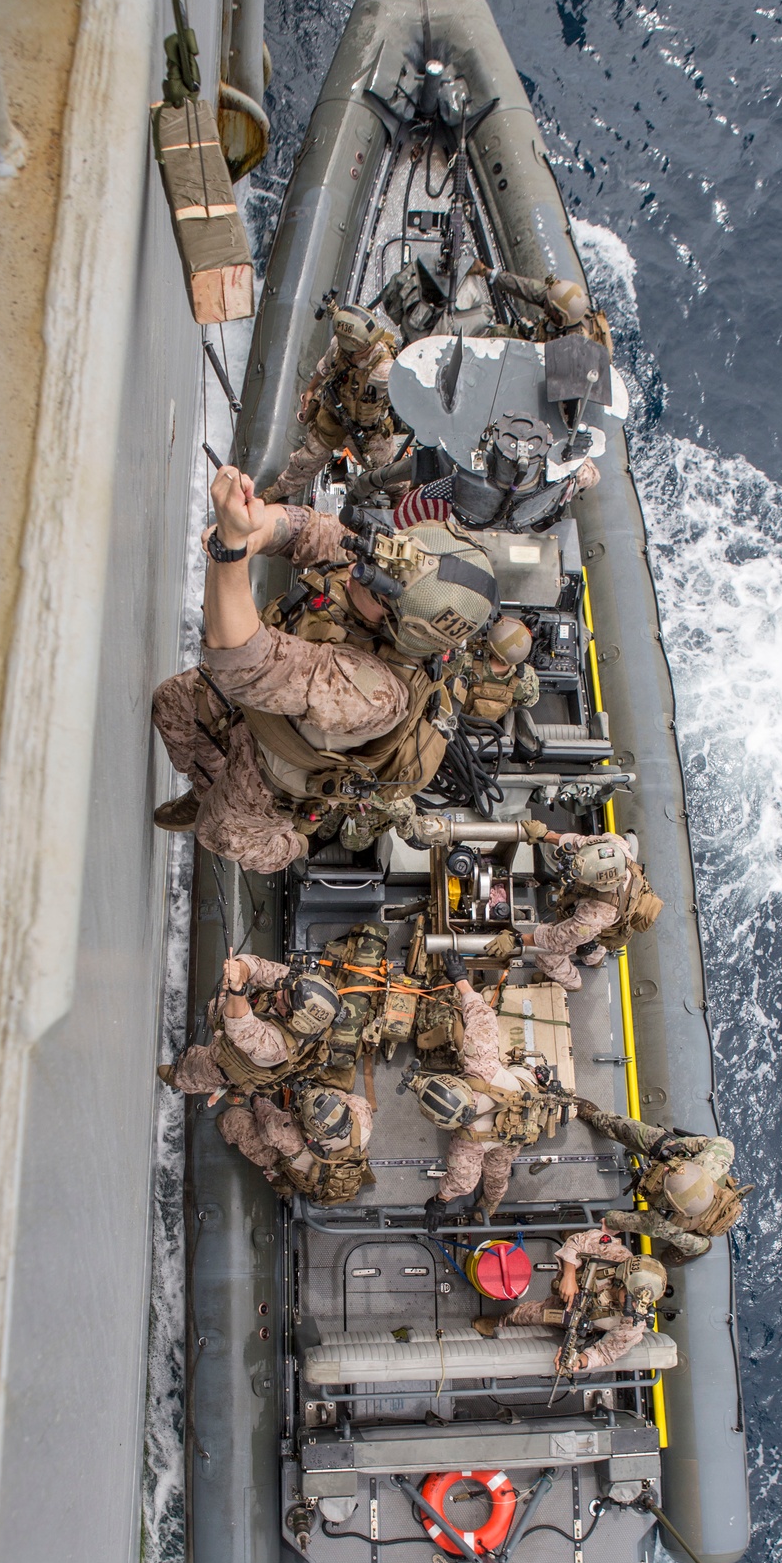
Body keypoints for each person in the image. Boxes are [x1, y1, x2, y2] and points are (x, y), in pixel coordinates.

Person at [150, 464, 499, 872]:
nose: (356, 570)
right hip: (264, 700)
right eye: (371, 561)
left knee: (219, 830)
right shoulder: (389, 562)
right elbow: (303, 529)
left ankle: (292, 843)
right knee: (172, 703)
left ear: (399, 626)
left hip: (272, 768)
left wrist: (229, 551)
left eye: (373, 585)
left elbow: (243, 662)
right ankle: (207, 784)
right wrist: (250, 531)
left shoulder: (374, 695)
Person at [419, 953, 550, 1223]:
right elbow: (483, 1017)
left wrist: (440, 1201)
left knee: (496, 1166)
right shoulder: (482, 1066)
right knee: (497, 1173)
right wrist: (461, 980)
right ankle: (490, 1205)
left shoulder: (465, 1144)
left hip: (504, 1135)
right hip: (521, 1102)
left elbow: (462, 1183)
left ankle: (489, 1205)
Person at [574, 1102, 752, 1262]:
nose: (667, 1169)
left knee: (695, 1244)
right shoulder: (711, 1163)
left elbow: (622, 1221)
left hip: (690, 1222)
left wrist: (610, 1221)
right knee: (642, 1134)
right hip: (683, 1158)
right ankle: (597, 1118)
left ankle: (695, 1250)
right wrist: (678, 1147)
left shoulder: (665, 1223)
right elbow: (724, 1143)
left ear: (670, 1200)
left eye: (669, 1175)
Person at [260, 304, 404, 503]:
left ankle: (402, 498)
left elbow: (405, 393)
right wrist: (311, 389)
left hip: (367, 432)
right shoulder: (339, 347)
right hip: (333, 417)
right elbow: (325, 368)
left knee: (389, 473)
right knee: (306, 460)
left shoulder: (384, 369)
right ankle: (277, 491)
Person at [473, 1227, 667, 1370]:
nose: (631, 1305)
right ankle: (574, 1240)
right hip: (573, 1280)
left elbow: (607, 1353)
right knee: (579, 1241)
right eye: (630, 1297)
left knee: (531, 1314)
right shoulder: (615, 1254)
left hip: (577, 1315)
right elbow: (577, 1243)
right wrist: (569, 1275)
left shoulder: (633, 1323)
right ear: (621, 1279)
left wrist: (579, 1361)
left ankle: (503, 1321)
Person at [158, 952, 343, 1096]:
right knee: (217, 1007)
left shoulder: (276, 1046)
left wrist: (237, 991)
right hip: (238, 1021)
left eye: (284, 1000)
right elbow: (260, 968)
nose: (278, 993)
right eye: (283, 990)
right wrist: (241, 970)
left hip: (225, 1062)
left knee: (195, 1068)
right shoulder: (297, 988)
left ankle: (179, 1077)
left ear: (296, 1021)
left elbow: (239, 1026)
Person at [520, 831, 662, 991]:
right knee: (597, 941)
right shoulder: (613, 848)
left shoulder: (596, 914)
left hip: (603, 926)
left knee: (547, 954)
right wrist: (545, 834)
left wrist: (516, 939)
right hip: (613, 919)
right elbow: (582, 841)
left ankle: (571, 982)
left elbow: (555, 939)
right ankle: (594, 959)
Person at [218, 1084, 375, 1206]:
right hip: (336, 1167)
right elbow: (341, 1096)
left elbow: (265, 1117)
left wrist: (255, 1098)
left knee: (234, 1119)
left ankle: (285, 1179)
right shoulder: (360, 1110)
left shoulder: (288, 1133)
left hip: (300, 1171)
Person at [469, 259, 612, 350]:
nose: (547, 307)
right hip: (542, 340)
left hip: (553, 362)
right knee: (498, 332)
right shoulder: (559, 301)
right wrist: (486, 272)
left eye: (551, 308)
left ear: (561, 316)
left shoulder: (573, 345)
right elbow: (525, 287)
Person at [460, 617, 540, 721]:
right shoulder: (526, 677)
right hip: (496, 721)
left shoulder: (466, 662)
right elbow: (531, 701)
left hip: (461, 716)